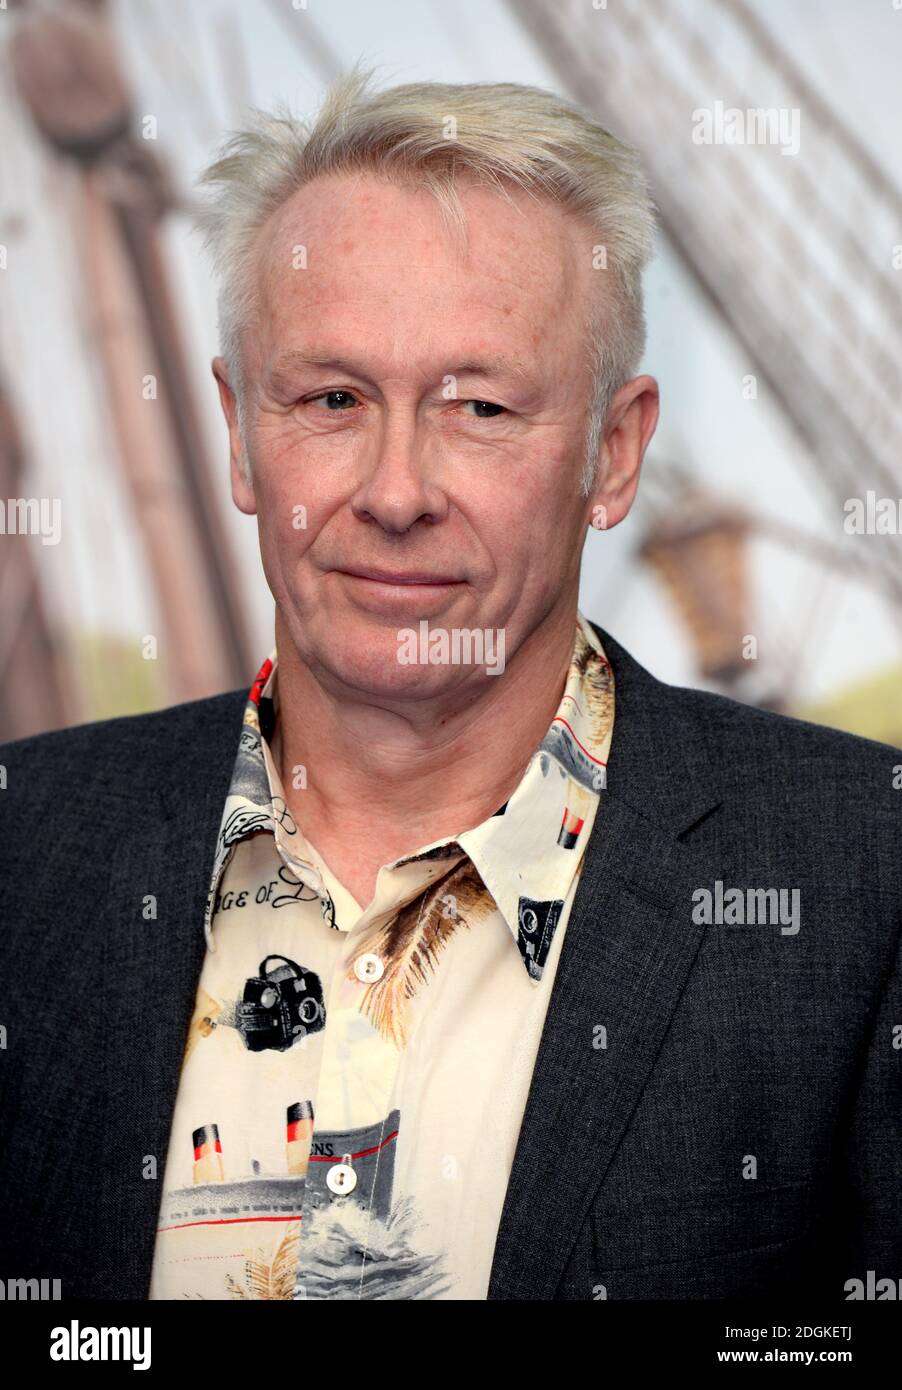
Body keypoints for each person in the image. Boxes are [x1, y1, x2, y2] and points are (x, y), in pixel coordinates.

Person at [0, 67, 899, 1302]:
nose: (394, 489)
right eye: (330, 398)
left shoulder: (866, 871)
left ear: (613, 450)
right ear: (238, 434)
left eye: (478, 406)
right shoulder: (21, 843)